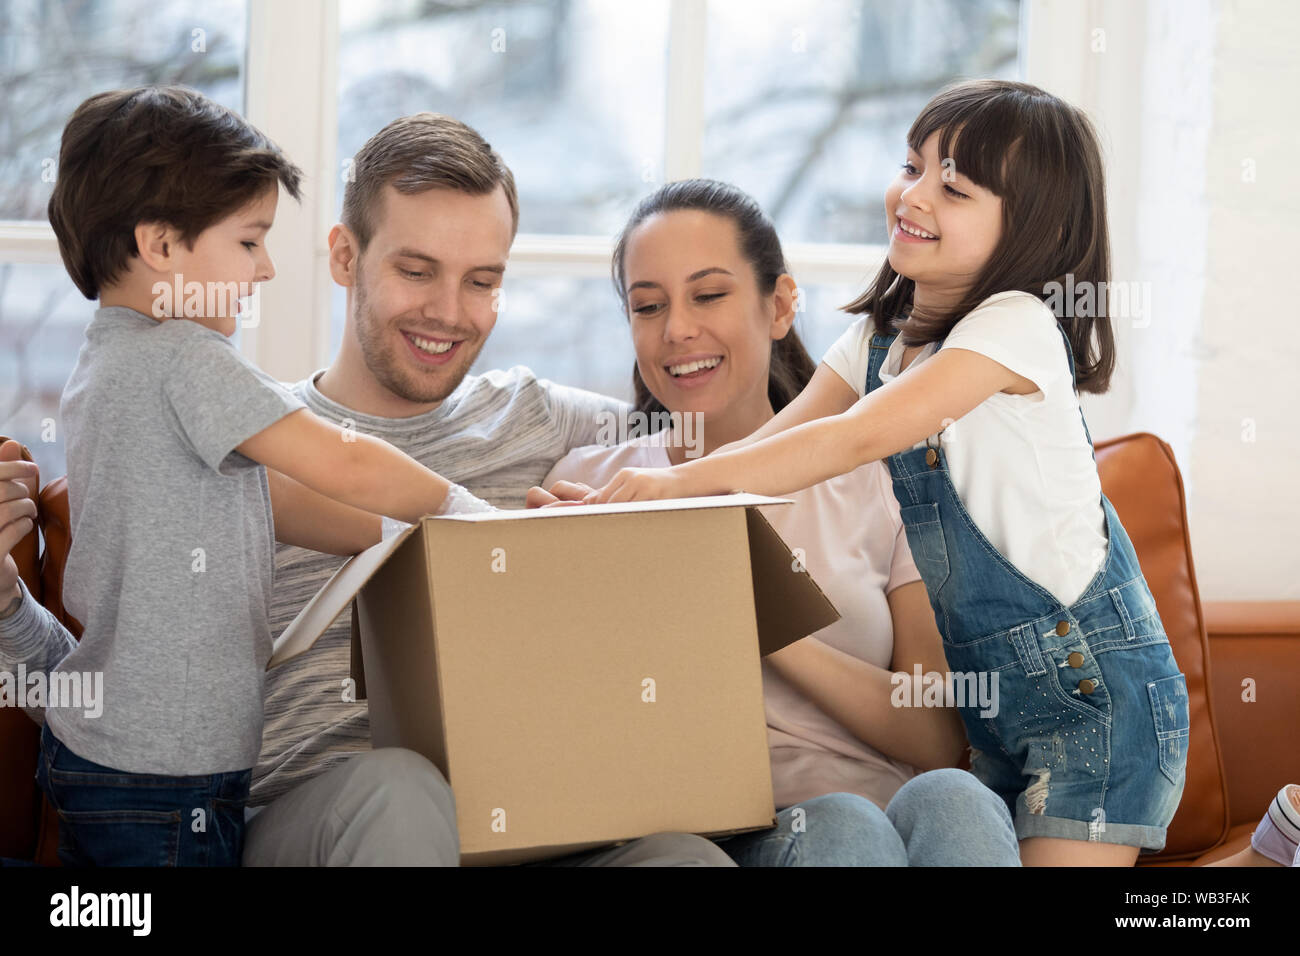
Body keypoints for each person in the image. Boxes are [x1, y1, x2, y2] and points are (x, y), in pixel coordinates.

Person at [0, 108, 732, 867]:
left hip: (533, 825)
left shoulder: (545, 418)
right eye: (416, 271)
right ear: (345, 256)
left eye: (482, 281)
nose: (449, 312)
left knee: (687, 856)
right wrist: (5, 605)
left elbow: (720, 440)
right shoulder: (228, 433)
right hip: (329, 826)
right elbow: (106, 687)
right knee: (399, 792)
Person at [579, 80, 1191, 866]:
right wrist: (628, 507)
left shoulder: (1016, 329)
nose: (914, 194)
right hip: (999, 704)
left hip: (1091, 699)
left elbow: (854, 436)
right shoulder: (879, 340)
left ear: (1031, 228)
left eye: (954, 185)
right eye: (912, 165)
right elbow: (778, 451)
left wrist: (674, 488)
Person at [532, 179, 1022, 865]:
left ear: (781, 305)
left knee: (959, 798)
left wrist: (762, 625)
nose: (677, 330)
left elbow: (941, 736)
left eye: (708, 295)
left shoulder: (877, 478)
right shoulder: (588, 485)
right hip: (726, 833)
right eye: (648, 306)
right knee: (844, 826)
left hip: (892, 814)